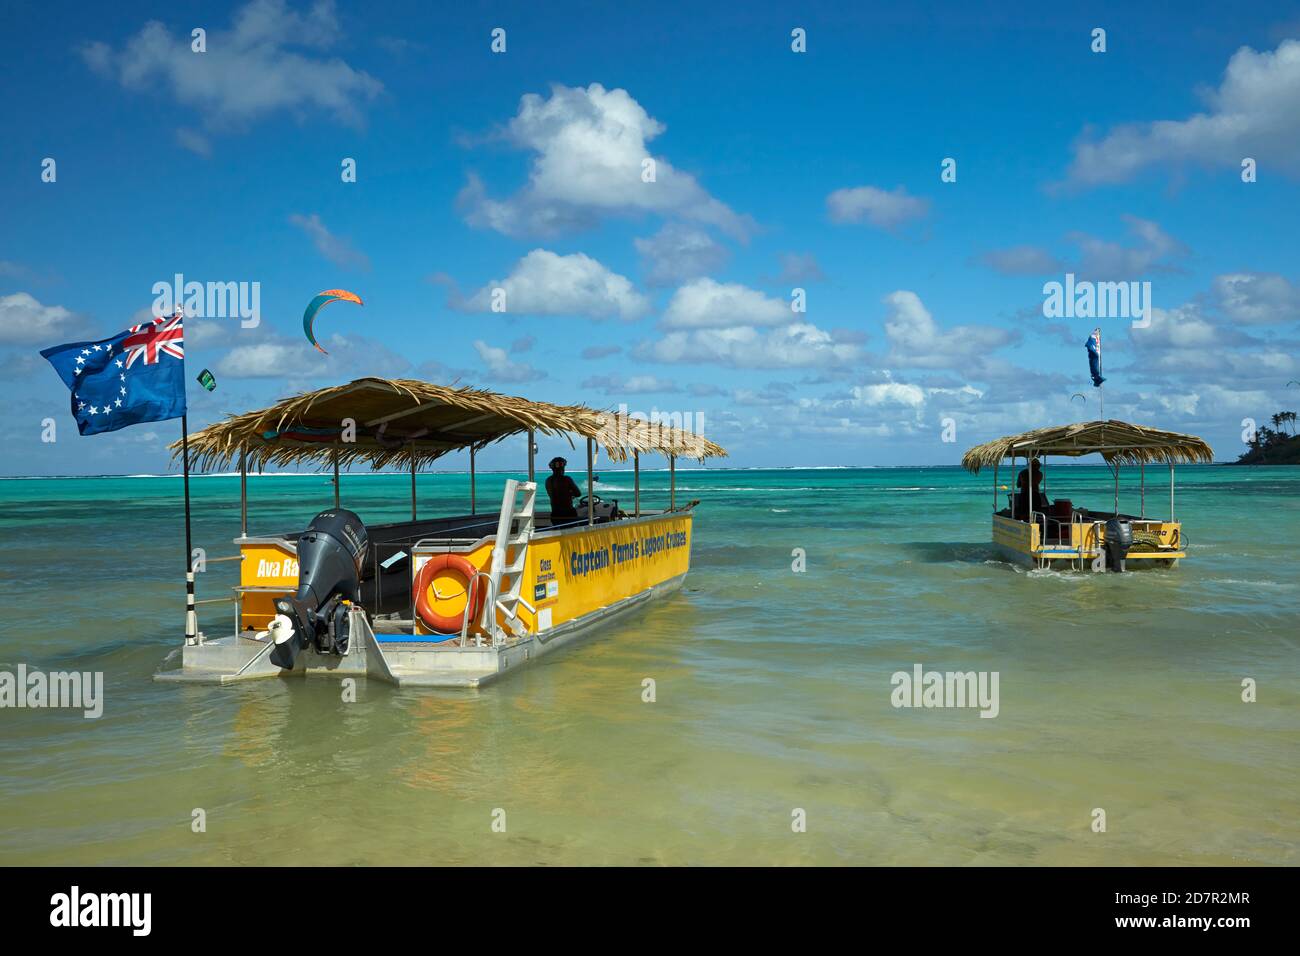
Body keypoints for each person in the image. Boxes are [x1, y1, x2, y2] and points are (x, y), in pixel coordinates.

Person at [545, 456, 582, 521]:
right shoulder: (566, 479)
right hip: (568, 513)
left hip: (555, 513)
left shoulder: (548, 480)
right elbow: (578, 493)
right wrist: (570, 493)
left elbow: (554, 495)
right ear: (562, 468)